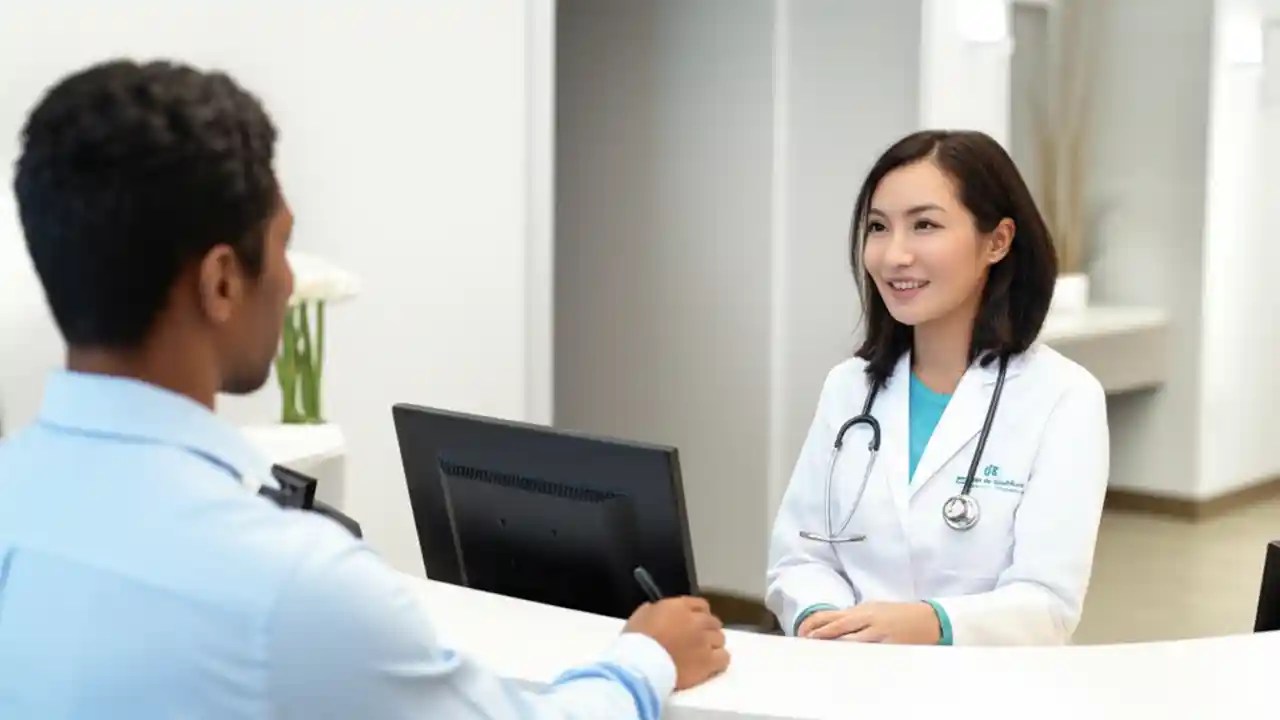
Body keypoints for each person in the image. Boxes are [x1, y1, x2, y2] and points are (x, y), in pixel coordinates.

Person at [0, 59, 728, 719]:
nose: (287, 281)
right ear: (222, 281)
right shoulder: (293, 585)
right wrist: (647, 658)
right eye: (282, 246)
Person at [765, 130, 1109, 646]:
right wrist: (827, 619)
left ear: (997, 241)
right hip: (846, 677)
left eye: (924, 225)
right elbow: (800, 556)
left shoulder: (1064, 397)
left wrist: (930, 624)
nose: (893, 255)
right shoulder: (849, 388)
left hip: (982, 691)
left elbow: (1048, 600)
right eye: (878, 227)